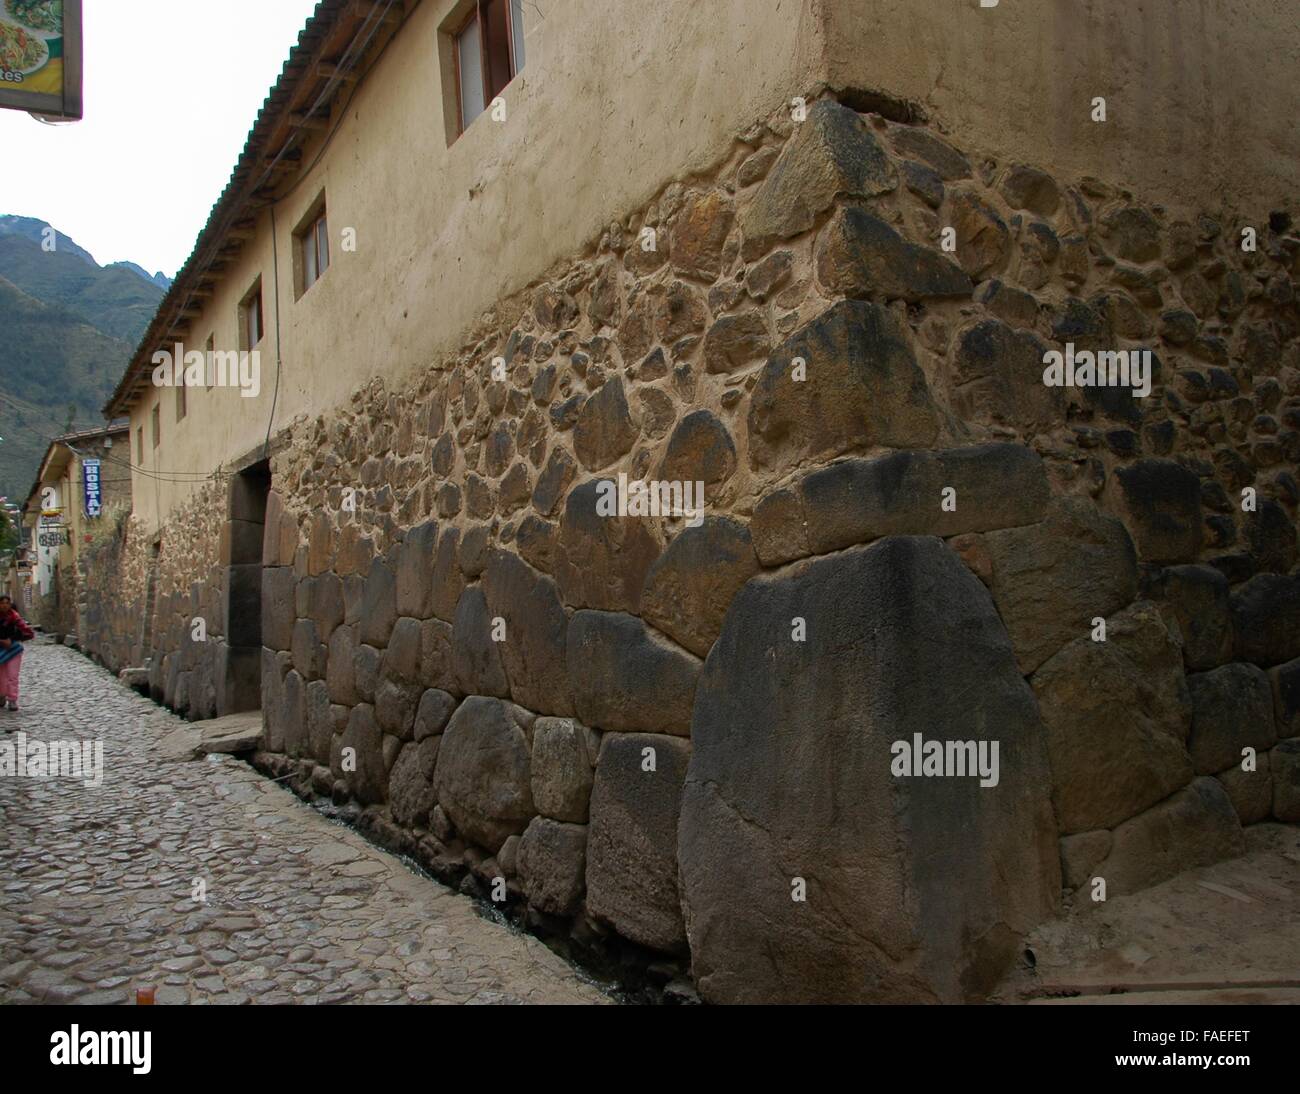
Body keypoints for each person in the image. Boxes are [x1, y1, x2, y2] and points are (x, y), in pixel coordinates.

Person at [0, 594, 35, 712]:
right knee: (1, 677)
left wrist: (12, 639)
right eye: (2, 603)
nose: (4, 605)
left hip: (13, 651)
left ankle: (12, 699)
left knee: (12, 676)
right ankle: (1, 695)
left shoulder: (15, 618)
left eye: (7, 603)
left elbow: (28, 633)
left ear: (10, 605)